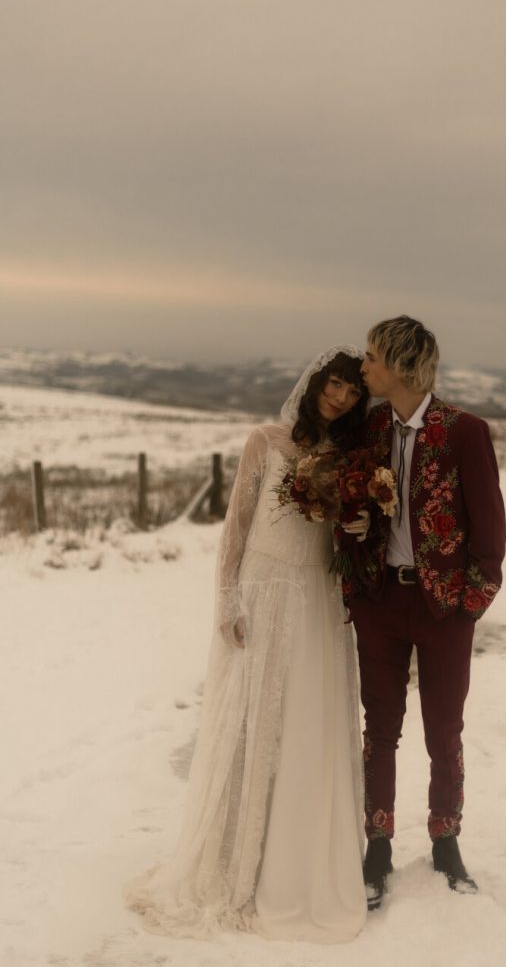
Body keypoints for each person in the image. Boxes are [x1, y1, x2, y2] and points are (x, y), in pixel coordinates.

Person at [124, 346, 369, 943]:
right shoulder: (266, 440)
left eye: (352, 391)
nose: (339, 396)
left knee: (306, 721)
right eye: (333, 384)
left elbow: (353, 532)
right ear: (315, 384)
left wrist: (360, 523)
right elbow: (236, 523)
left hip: (317, 596)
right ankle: (237, 860)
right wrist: (227, 597)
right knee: (253, 719)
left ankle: (294, 862)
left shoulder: (352, 459)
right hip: (263, 587)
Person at [342, 316, 506, 907]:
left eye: (371, 358)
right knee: (378, 729)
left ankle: (446, 839)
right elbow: (351, 508)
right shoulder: (366, 429)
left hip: (444, 611)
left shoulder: (465, 432)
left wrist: (468, 605)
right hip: (380, 601)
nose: (363, 368)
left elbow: (490, 535)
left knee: (444, 730)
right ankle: (378, 842)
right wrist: (355, 553)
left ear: (401, 365)